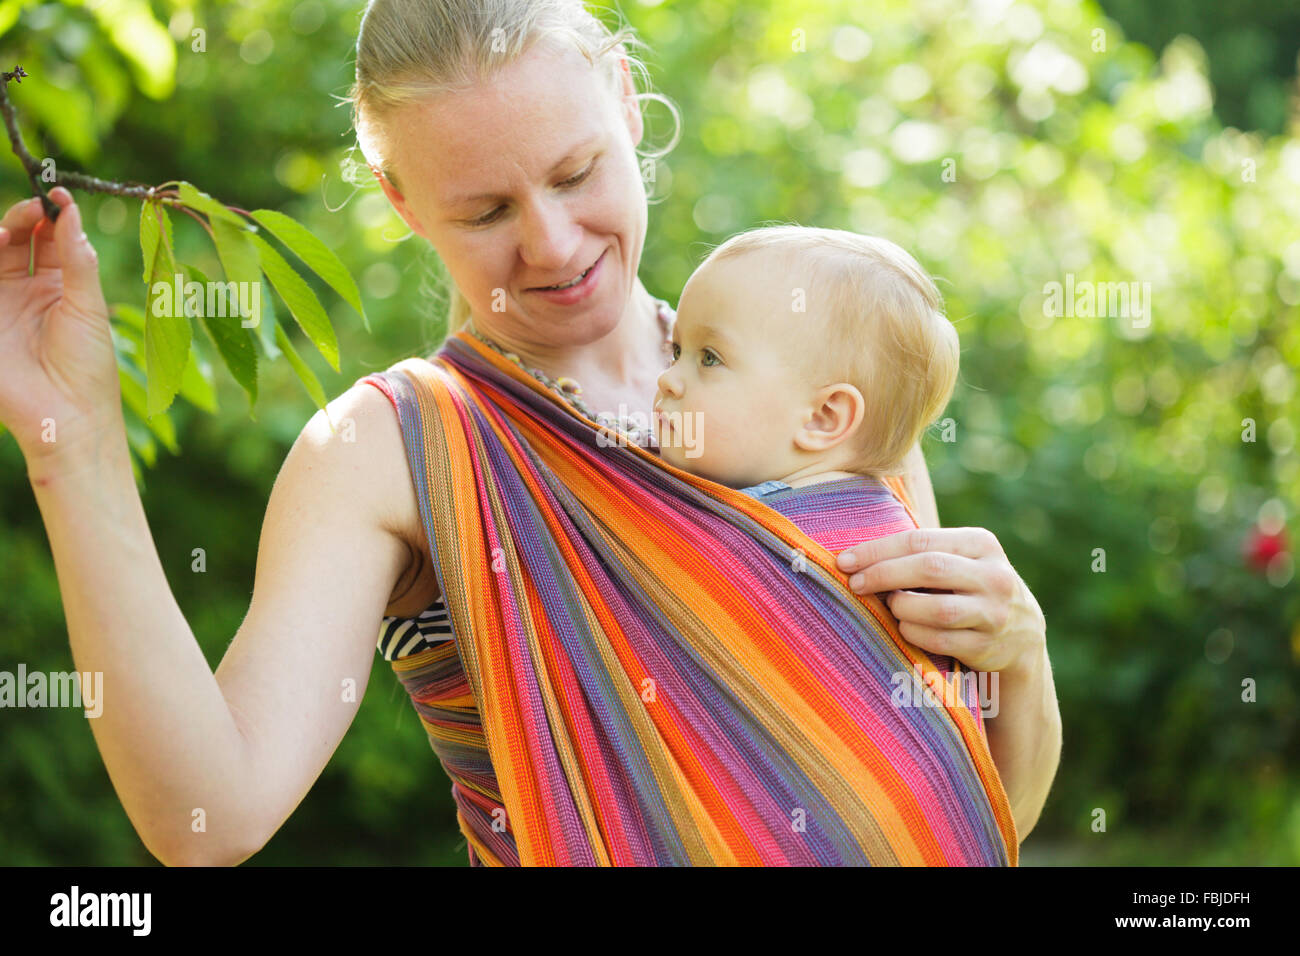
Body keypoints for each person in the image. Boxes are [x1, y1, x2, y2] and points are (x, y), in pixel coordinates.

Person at [0, 0, 1059, 866]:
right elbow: (208, 817)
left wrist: (1021, 655)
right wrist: (71, 440)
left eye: (572, 172)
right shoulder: (392, 448)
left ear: (630, 106)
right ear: (402, 202)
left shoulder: (812, 388)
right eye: (483, 210)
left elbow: (979, 804)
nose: (552, 244)